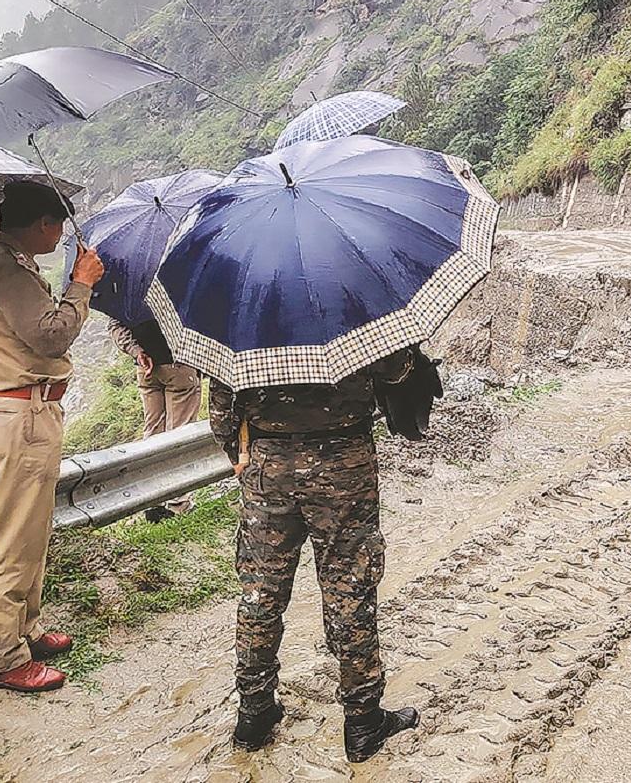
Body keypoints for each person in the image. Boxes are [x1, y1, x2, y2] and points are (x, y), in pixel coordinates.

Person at [209, 345, 442, 762]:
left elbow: (223, 400)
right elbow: (395, 371)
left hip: (268, 467)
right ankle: (363, 720)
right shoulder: (351, 307)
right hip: (343, 463)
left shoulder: (246, 317)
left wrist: (236, 449)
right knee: (350, 587)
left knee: (259, 595)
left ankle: (254, 714)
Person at [0, 182, 103, 694]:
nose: (59, 236)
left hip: (23, 411)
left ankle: (24, 630)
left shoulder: (9, 261)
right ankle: (2, 655)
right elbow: (50, 335)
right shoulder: (6, 267)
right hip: (21, 413)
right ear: (42, 224)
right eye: (58, 226)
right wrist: (80, 284)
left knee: (30, 532)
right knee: (13, 539)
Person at [108, 318, 201, 521]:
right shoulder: (173, 288)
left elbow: (116, 326)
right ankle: (178, 503)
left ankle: (153, 500)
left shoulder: (125, 293)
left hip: (145, 368)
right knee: (179, 433)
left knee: (152, 432)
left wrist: (137, 352)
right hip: (178, 364)